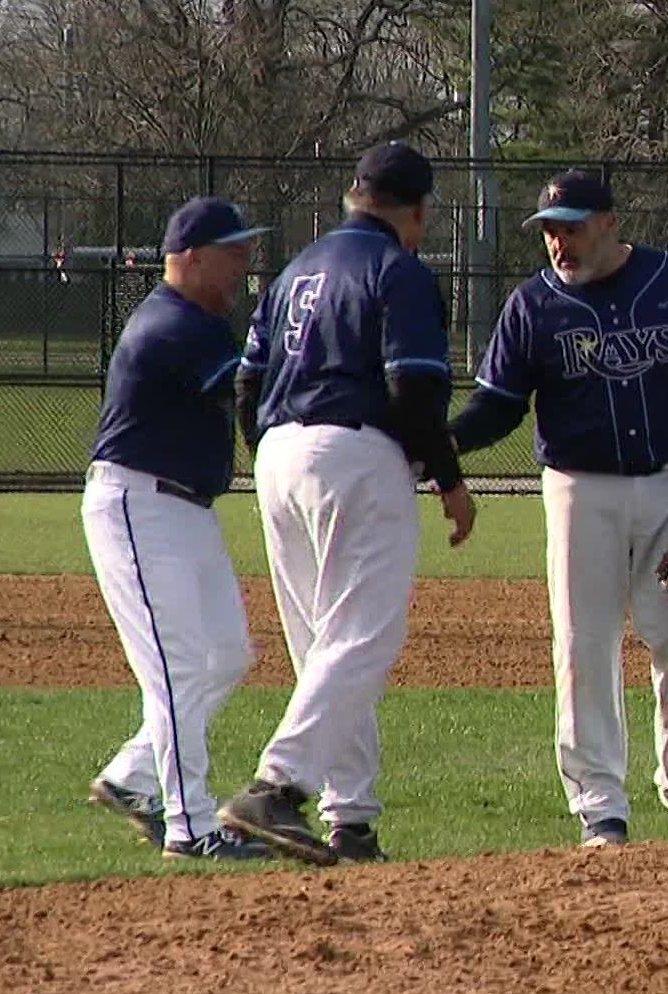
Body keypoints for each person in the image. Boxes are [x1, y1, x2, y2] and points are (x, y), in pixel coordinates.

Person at [447, 170, 668, 848]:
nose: (559, 242)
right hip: (580, 489)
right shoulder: (533, 307)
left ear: (610, 222)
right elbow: (498, 405)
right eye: (550, 229)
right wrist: (448, 442)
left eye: (572, 226)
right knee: (584, 645)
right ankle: (600, 805)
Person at [216, 143, 475, 865]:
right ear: (418, 211)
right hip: (355, 453)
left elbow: (246, 384)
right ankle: (276, 785)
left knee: (323, 645)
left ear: (351, 196)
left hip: (277, 453)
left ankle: (350, 820)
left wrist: (273, 456)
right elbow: (415, 392)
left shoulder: (295, 270)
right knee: (363, 637)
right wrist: (448, 479)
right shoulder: (398, 270)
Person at [81, 196, 274, 861]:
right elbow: (255, 391)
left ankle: (129, 778)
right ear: (189, 258)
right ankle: (190, 826)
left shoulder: (199, 322)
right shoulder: (173, 324)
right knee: (176, 665)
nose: (244, 268)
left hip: (186, 508)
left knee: (223, 656)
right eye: (233, 254)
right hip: (138, 503)